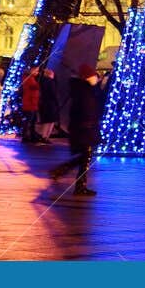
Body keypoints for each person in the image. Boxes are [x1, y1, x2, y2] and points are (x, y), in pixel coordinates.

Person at [50, 65, 103, 196]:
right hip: (85, 128)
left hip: (84, 128)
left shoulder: (84, 89)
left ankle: (64, 172)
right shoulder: (84, 91)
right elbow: (86, 110)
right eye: (94, 76)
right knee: (86, 157)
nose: (96, 78)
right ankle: (79, 185)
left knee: (85, 157)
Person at [19, 67, 42, 144]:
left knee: (32, 120)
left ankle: (31, 135)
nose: (37, 72)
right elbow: (33, 90)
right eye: (36, 71)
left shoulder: (30, 78)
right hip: (30, 103)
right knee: (29, 120)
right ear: (32, 70)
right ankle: (26, 136)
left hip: (32, 103)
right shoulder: (29, 79)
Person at [38, 65, 61, 139]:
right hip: (51, 104)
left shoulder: (42, 81)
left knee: (47, 121)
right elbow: (53, 93)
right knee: (50, 121)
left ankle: (44, 136)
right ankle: (45, 136)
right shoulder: (51, 82)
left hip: (45, 103)